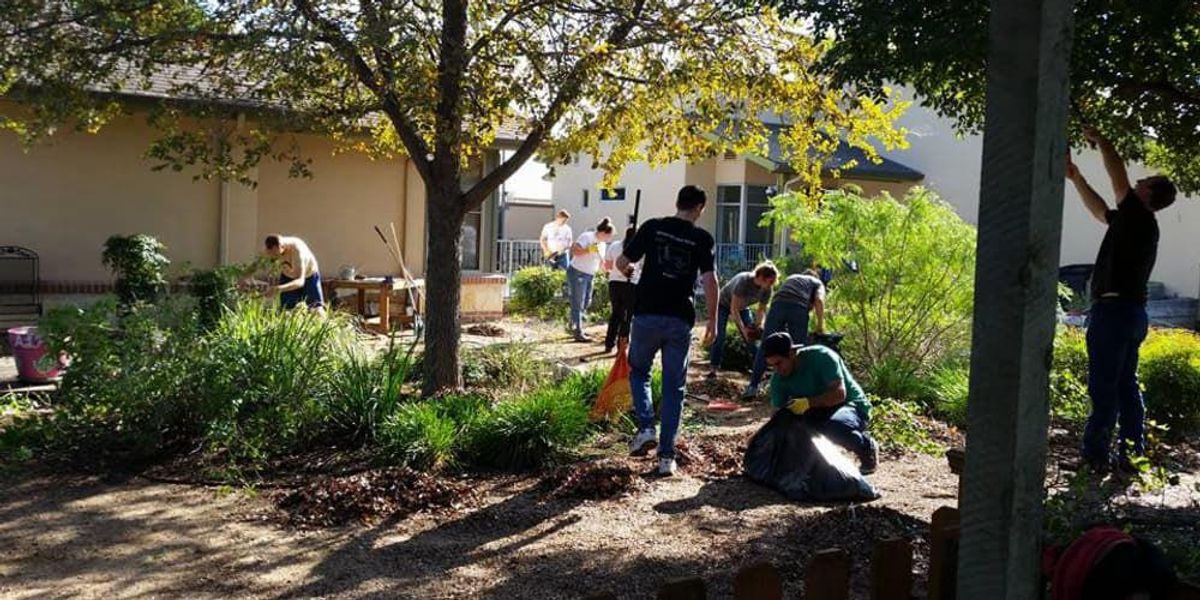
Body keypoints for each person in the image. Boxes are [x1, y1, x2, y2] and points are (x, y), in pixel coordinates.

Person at [1065, 127, 1177, 473]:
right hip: (1130, 313)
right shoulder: (1133, 223)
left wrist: (1103, 140)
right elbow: (1100, 212)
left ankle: (1095, 456)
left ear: (1147, 194)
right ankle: (1132, 456)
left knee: (1104, 385)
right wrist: (1076, 177)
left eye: (1144, 181)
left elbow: (1117, 177)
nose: (1137, 180)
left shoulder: (1140, 216)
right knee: (1125, 384)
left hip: (1113, 313)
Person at [620, 185, 719, 476]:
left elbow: (622, 263)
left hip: (647, 314)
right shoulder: (702, 238)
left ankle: (647, 426)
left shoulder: (653, 227)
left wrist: (629, 271)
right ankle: (666, 458)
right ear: (700, 207)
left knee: (639, 371)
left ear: (677, 202)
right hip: (680, 319)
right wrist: (712, 320)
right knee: (675, 387)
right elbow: (710, 281)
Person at [762, 331, 878, 474]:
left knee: (835, 428)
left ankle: (866, 446)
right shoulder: (778, 380)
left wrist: (808, 403)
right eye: (772, 366)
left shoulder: (822, 357)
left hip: (850, 405)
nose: (777, 370)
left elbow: (839, 394)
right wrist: (762, 439)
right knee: (794, 430)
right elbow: (777, 416)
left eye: (779, 363)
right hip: (819, 410)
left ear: (792, 354)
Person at [744, 268, 827, 398]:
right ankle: (799, 391)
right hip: (798, 307)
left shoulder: (793, 276)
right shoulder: (818, 283)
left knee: (767, 345)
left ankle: (752, 387)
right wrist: (820, 326)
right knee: (799, 349)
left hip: (777, 305)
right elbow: (819, 301)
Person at [707, 262, 778, 379]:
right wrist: (743, 329)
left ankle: (760, 370)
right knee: (720, 336)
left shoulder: (767, 290)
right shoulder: (744, 281)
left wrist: (758, 325)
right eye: (770, 281)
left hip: (743, 308)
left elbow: (761, 310)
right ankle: (713, 369)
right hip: (723, 305)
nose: (772, 285)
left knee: (751, 338)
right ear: (761, 277)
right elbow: (733, 309)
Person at [567, 217, 615, 342]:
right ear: (603, 233)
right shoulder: (587, 237)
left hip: (590, 274)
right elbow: (574, 251)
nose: (609, 239)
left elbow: (601, 263)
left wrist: (608, 270)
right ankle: (578, 331)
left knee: (586, 301)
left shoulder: (602, 244)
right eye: (609, 236)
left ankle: (573, 323)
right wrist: (588, 249)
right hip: (578, 272)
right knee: (578, 302)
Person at [603, 225, 642, 353]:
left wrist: (616, 271)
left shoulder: (614, 245)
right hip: (631, 284)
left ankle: (609, 343)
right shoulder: (638, 249)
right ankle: (622, 346)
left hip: (614, 283)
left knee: (616, 314)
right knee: (627, 316)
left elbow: (607, 265)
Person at [263, 234, 324, 312]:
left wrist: (278, 289)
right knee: (286, 310)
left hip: (308, 276)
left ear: (281, 247)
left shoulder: (297, 251)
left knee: (316, 309)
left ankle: (324, 322)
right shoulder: (270, 248)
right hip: (288, 275)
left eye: (276, 254)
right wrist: (245, 277)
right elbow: (255, 265)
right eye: (272, 254)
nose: (275, 257)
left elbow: (300, 282)